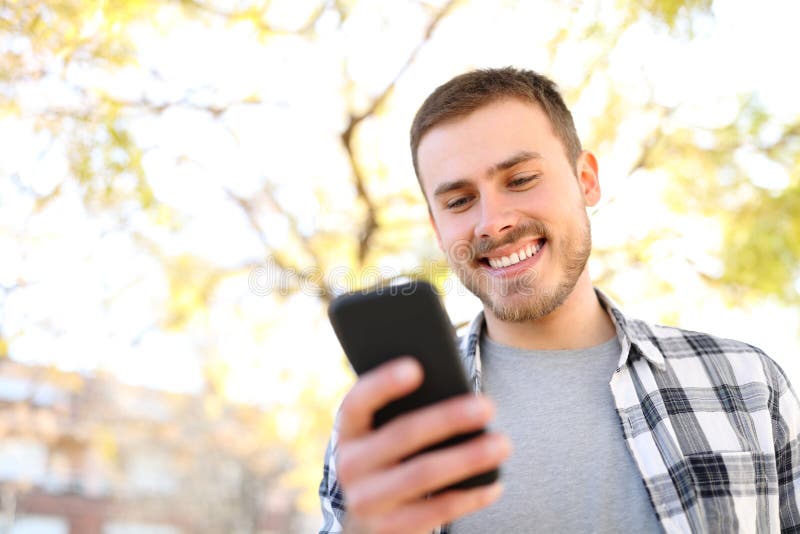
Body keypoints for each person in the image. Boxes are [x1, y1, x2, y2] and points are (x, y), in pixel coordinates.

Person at [318, 67, 800, 533]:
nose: (492, 222)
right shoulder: (384, 430)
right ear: (437, 229)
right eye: (460, 201)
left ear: (586, 179)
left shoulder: (748, 383)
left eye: (521, 179)